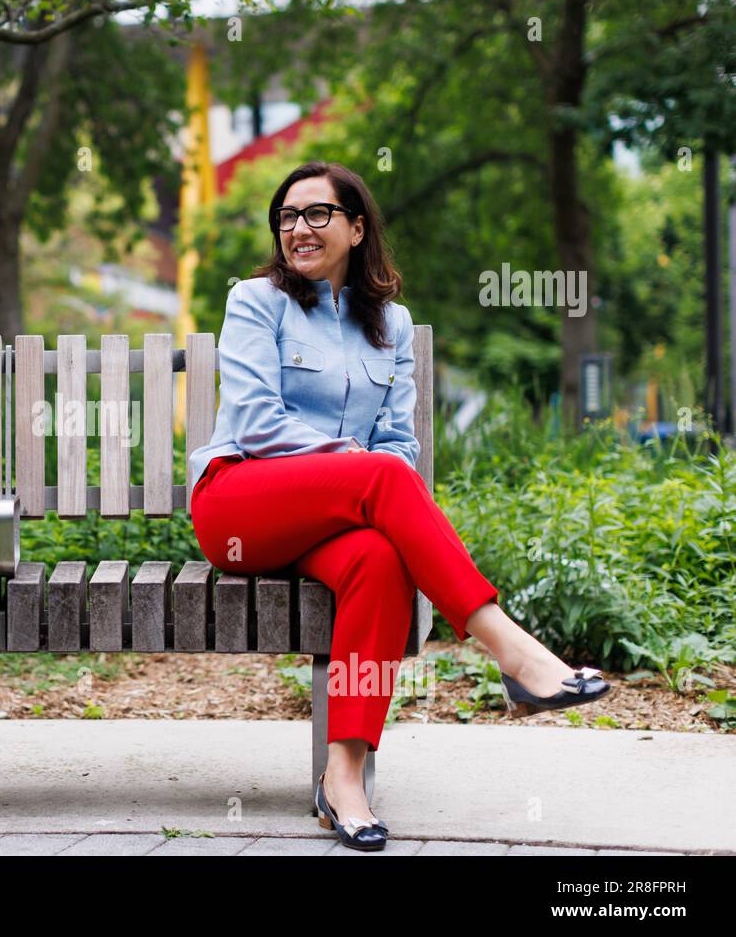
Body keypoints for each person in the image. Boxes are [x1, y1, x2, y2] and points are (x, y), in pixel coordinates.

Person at [186, 161, 611, 852]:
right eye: (287, 216)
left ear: (357, 227)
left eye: (317, 214)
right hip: (240, 503)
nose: (299, 228)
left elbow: (396, 445)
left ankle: (344, 777)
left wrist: (364, 471)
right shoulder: (255, 301)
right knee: (378, 473)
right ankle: (512, 652)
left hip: (334, 516)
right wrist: (351, 462)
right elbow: (259, 424)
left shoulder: (391, 323)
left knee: (380, 559)